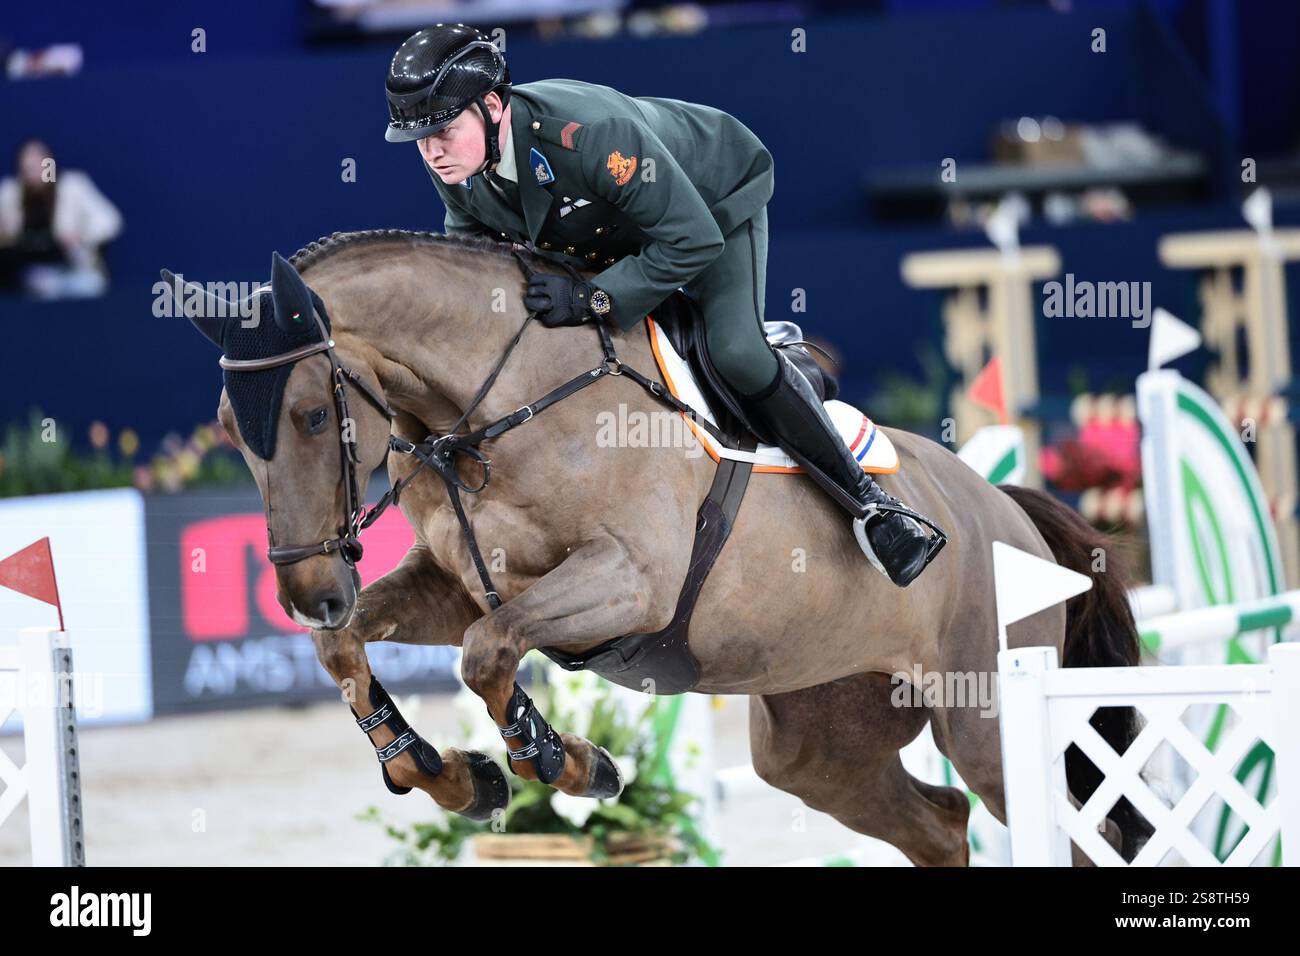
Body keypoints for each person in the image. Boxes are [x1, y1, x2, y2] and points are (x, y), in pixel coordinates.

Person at [384, 24, 939, 586]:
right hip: (605, 234)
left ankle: (874, 508)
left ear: (494, 106)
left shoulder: (588, 135)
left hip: (709, 206)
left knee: (735, 353)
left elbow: (691, 240)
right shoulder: (458, 163)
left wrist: (595, 297)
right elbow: (476, 259)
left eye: (444, 131)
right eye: (420, 140)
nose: (432, 152)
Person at [0, 138, 122, 297]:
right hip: (26, 276)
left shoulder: (73, 186)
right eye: (28, 166)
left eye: (40, 163)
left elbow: (111, 221)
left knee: (90, 285)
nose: (34, 169)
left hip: (70, 269)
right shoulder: (9, 192)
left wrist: (81, 235)